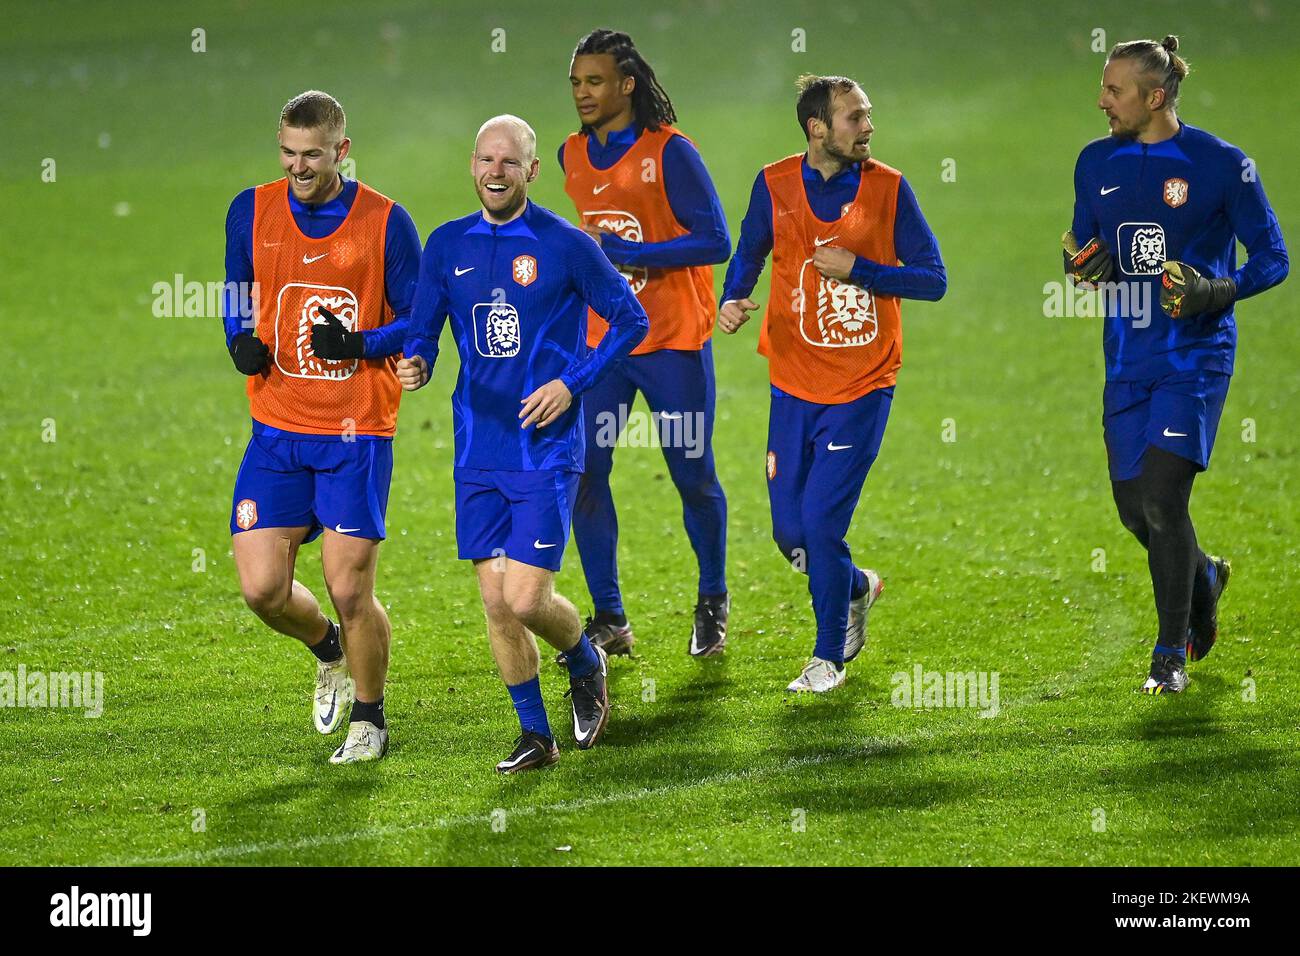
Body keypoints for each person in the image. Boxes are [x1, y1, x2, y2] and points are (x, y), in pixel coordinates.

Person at [401, 115, 649, 772]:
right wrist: (417, 362)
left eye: (510, 162)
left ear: (533, 171)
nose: (495, 172)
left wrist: (573, 383)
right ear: (472, 164)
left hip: (545, 449)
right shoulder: (446, 243)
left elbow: (631, 318)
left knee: (525, 598)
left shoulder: (565, 245)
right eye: (485, 159)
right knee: (494, 603)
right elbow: (424, 329)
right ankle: (535, 736)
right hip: (477, 449)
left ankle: (584, 657)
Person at [1063, 36, 1287, 693]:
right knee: (1136, 512)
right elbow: (1085, 240)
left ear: (1153, 98)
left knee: (1164, 498)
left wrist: (1219, 291)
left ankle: (1169, 655)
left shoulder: (1221, 165)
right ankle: (1203, 574)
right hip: (1127, 354)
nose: (1101, 101)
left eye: (1114, 91)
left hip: (1196, 355)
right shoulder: (1094, 160)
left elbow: (1272, 257)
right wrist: (1084, 263)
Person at [222, 90, 431, 763]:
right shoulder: (250, 210)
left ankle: (369, 719)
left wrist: (362, 345)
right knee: (262, 589)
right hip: (277, 428)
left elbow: (420, 318)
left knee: (349, 588)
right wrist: (236, 338)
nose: (298, 167)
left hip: (355, 434)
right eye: (288, 154)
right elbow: (237, 288)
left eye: (312, 155)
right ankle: (328, 651)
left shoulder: (386, 222)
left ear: (341, 150)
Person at [719, 75, 946, 693]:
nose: (867, 127)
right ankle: (854, 587)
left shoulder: (889, 189)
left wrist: (863, 271)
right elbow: (750, 249)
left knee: (820, 526)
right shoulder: (774, 183)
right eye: (854, 118)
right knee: (789, 536)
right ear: (817, 128)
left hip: (862, 386)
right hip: (792, 383)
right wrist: (733, 297)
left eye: (868, 116)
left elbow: (933, 279)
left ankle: (828, 658)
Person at [558, 29, 733, 660]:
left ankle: (712, 598)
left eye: (595, 81)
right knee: (586, 473)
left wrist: (633, 254)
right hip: (605, 347)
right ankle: (610, 617)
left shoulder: (672, 152)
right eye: (576, 82)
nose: (583, 92)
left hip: (672, 342)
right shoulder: (570, 155)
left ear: (627, 84)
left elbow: (715, 240)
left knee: (692, 474)